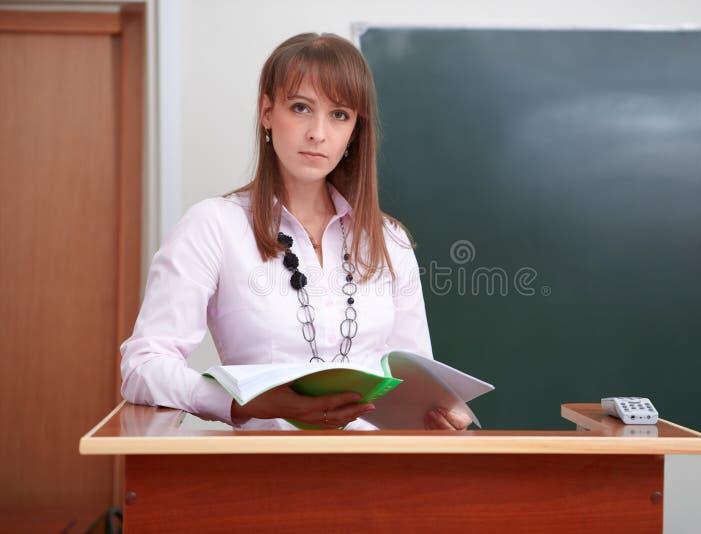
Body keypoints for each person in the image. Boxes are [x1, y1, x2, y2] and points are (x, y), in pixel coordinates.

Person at [120, 32, 471, 431]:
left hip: (377, 475)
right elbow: (143, 366)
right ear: (267, 112)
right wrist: (243, 402)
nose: (318, 133)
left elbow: (414, 377)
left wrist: (437, 414)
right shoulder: (213, 226)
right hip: (265, 476)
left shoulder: (389, 240)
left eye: (339, 114)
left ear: (355, 130)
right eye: (301, 108)